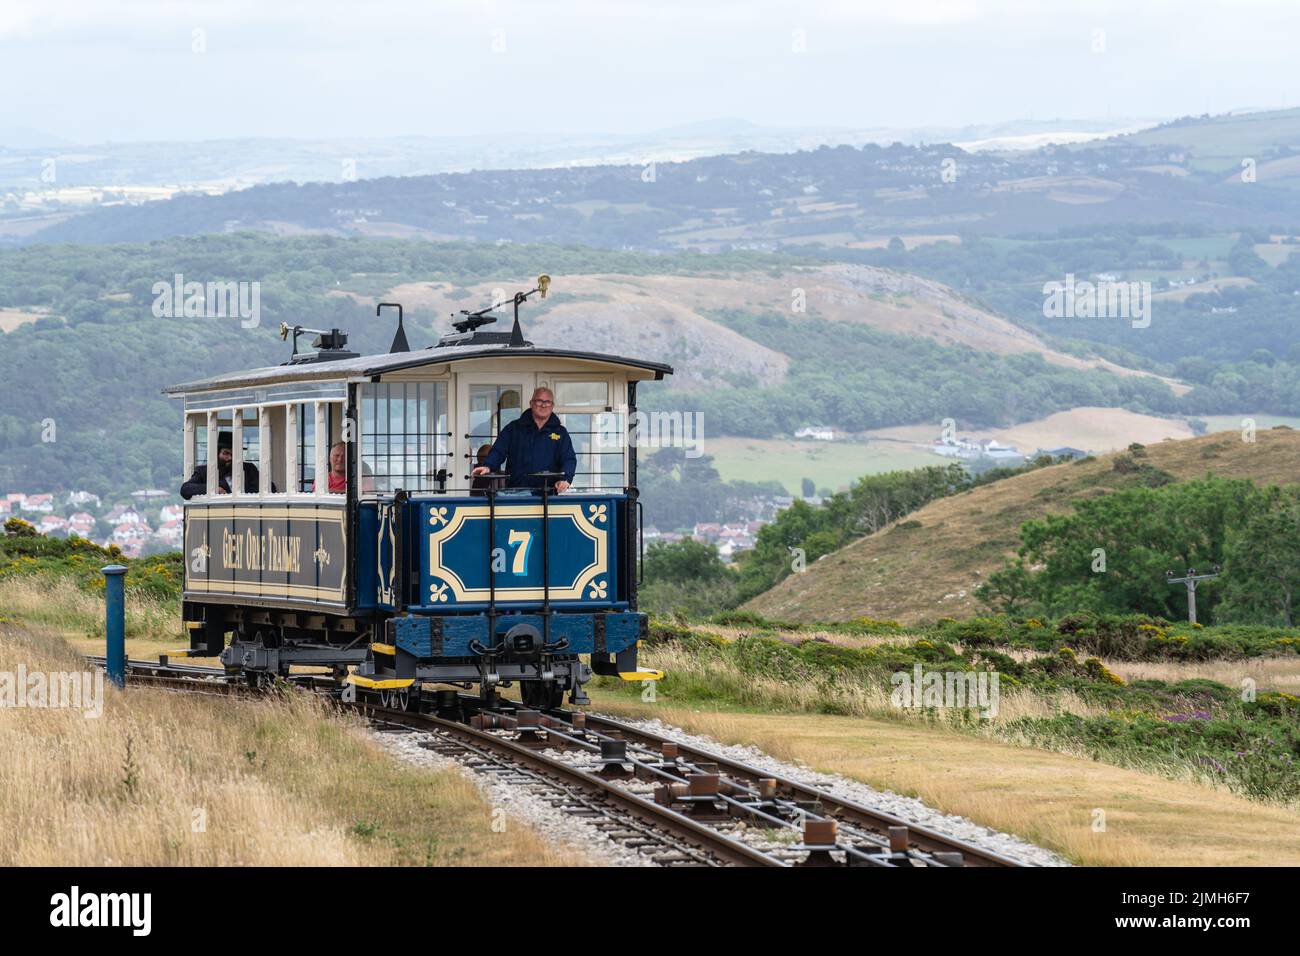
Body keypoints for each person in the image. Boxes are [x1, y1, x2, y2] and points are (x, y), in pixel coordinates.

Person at [472, 387, 576, 492]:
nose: (543, 405)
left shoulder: (560, 433)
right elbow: (499, 451)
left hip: (549, 495)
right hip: (517, 494)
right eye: (539, 401)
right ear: (531, 403)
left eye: (547, 402)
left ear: (552, 405)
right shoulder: (514, 429)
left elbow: (569, 459)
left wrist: (565, 479)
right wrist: (488, 466)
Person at [180, 431, 270, 499]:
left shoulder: (249, 469)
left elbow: (269, 487)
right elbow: (185, 489)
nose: (230, 458)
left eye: (233, 454)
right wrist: (214, 489)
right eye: (226, 453)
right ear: (217, 453)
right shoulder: (203, 471)